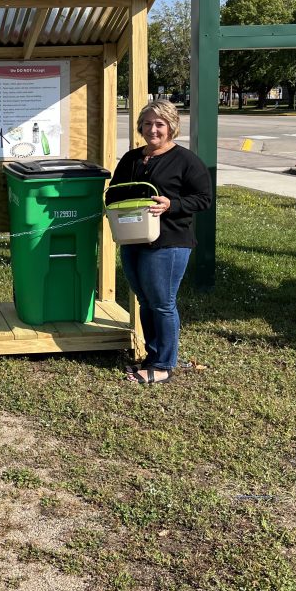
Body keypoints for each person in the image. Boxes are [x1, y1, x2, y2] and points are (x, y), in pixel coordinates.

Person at [110, 100, 211, 384]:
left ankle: (164, 365)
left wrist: (171, 204)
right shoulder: (131, 158)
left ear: (171, 127)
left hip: (169, 242)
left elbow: (203, 199)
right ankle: (152, 356)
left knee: (162, 303)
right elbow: (114, 192)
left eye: (159, 124)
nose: (152, 129)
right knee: (145, 300)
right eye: (147, 123)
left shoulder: (186, 160)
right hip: (132, 239)